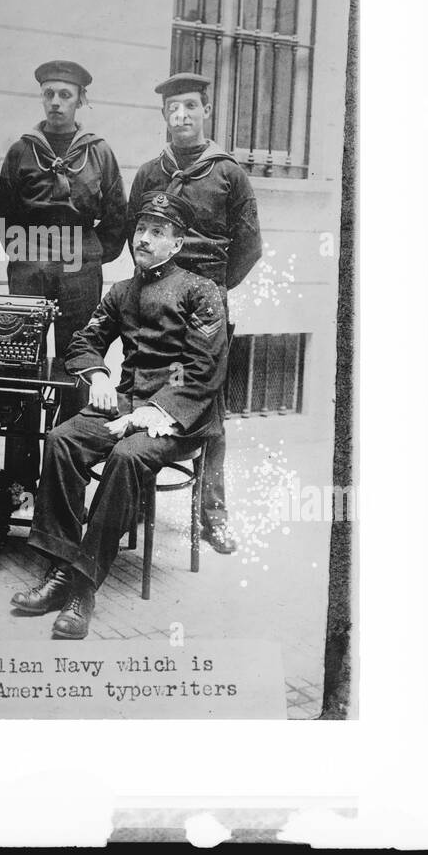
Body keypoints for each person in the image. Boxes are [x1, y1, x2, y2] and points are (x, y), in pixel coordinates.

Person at [11, 191, 228, 640]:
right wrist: (100, 375)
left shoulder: (200, 291)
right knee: (61, 440)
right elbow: (83, 341)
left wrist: (148, 412)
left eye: (158, 232)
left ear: (177, 244)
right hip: (124, 404)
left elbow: (202, 370)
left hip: (179, 415)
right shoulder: (122, 291)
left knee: (127, 456)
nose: (143, 239)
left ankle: (83, 589)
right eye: (141, 229)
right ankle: (60, 569)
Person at [126, 73, 262, 553]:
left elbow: (250, 245)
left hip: (204, 304)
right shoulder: (149, 172)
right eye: (172, 109)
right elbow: (134, 234)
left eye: (190, 106)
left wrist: (212, 289)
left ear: (206, 111)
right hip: (156, 298)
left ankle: (213, 515)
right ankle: (128, 500)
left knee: (209, 408)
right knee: (143, 384)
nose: (181, 116)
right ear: (164, 116)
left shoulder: (228, 174)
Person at [0, 60, 127, 491]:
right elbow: (5, 213)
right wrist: (27, 259)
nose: (56, 102)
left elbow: (116, 216)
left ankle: (65, 480)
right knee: (24, 368)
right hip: (30, 265)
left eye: (65, 95)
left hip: (79, 266)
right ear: (42, 98)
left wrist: (90, 256)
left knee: (78, 366)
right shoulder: (22, 150)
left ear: (80, 100)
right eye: (49, 93)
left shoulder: (98, 151)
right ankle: (19, 482)